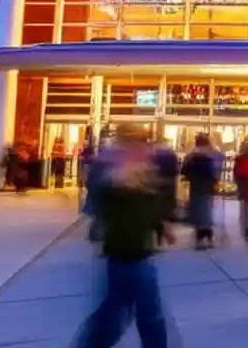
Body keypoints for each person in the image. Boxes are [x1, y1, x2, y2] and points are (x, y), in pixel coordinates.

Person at [73, 125, 169, 348]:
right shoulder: (117, 170)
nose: (144, 146)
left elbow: (149, 205)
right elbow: (106, 198)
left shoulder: (138, 169)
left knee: (119, 309)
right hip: (130, 251)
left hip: (131, 249)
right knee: (145, 314)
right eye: (139, 140)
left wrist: (160, 225)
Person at [181, 133, 223, 250]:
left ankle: (200, 237)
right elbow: (218, 168)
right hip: (209, 186)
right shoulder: (214, 153)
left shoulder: (191, 154)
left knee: (198, 209)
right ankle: (209, 236)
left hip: (195, 185)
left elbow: (184, 170)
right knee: (207, 209)